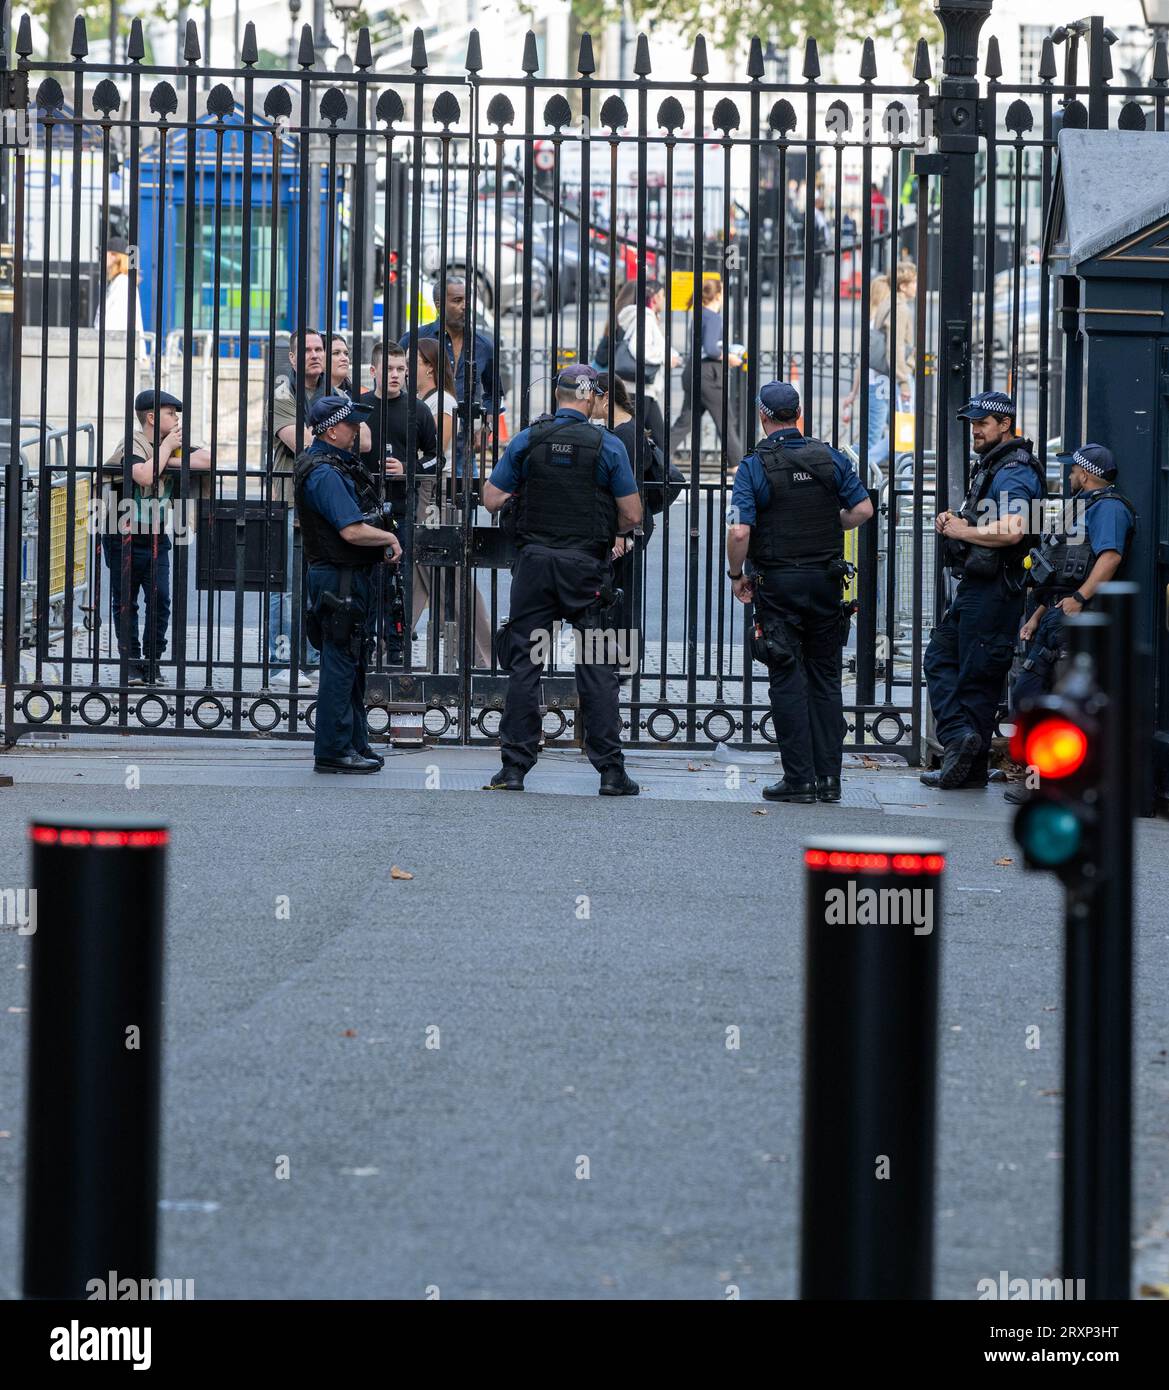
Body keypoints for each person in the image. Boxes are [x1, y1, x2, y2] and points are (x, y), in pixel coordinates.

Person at [482, 364, 643, 795]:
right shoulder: (606, 445)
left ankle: (513, 768)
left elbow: (492, 498)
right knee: (597, 666)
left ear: (559, 396)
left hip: (534, 569)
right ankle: (611, 771)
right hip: (585, 572)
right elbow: (633, 515)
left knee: (525, 664)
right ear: (589, 397)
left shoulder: (528, 439)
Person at [726, 381, 874, 804]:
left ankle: (799, 780)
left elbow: (739, 530)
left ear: (762, 415)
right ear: (799, 413)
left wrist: (736, 574)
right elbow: (863, 509)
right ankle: (830, 779)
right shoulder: (829, 457)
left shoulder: (755, 466)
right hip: (826, 582)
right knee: (826, 680)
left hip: (779, 585)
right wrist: (834, 525)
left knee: (787, 678)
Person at [921, 391, 1047, 790]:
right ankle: (967, 761)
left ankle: (960, 743)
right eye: (973, 423)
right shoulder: (995, 465)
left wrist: (963, 530)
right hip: (980, 585)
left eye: (982, 423)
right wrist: (956, 520)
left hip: (997, 588)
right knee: (945, 658)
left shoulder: (1015, 469)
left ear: (1005, 424)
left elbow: (1013, 530)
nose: (974, 430)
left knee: (975, 674)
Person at [1005, 443, 1135, 803]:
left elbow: (1109, 558)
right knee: (1033, 697)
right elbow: (1058, 577)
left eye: (1074, 470)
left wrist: (1079, 600)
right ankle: (1038, 783)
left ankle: (1046, 785)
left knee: (1042, 698)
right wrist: (1036, 616)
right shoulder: (1082, 506)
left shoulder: (1108, 509)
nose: (1070, 475)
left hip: (1076, 620)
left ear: (1088, 473)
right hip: (1056, 615)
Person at [293, 393, 402, 774]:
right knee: (340, 663)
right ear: (332, 430)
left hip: (344, 576)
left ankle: (354, 742)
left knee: (351, 661)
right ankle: (334, 749)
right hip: (338, 578)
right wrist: (388, 538)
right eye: (350, 424)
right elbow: (352, 531)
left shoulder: (330, 463)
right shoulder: (324, 471)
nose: (356, 430)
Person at [101, 389, 211, 686]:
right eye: (170, 413)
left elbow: (207, 460)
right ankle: (132, 663)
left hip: (155, 535)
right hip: (121, 534)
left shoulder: (170, 447)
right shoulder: (132, 443)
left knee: (160, 598)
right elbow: (144, 476)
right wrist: (162, 454)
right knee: (125, 601)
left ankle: (153, 661)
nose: (176, 419)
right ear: (151, 417)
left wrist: (166, 458)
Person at [268, 328, 331, 688]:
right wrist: (334, 432)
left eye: (318, 348)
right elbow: (302, 444)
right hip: (288, 502)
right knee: (285, 588)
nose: (314, 354)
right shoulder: (283, 396)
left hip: (322, 506)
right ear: (292, 358)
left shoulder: (334, 393)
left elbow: (363, 439)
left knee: (316, 587)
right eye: (306, 350)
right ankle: (279, 663)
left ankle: (309, 658)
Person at [607, 374, 683, 660]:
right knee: (619, 589)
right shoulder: (625, 429)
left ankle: (623, 658)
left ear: (605, 398)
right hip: (631, 523)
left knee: (621, 592)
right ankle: (619, 657)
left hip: (630, 525)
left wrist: (621, 533)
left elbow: (631, 488)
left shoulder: (626, 434)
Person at [400, 274, 505, 480]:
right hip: (424, 444)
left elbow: (494, 394)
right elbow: (392, 379)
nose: (465, 306)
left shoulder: (483, 345)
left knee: (464, 506)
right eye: (457, 301)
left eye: (468, 300)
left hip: (463, 447)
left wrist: (487, 427)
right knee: (426, 504)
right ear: (439, 304)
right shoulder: (416, 339)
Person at [668, 275, 743, 466]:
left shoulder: (700, 314)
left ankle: (658, 457)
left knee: (685, 422)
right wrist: (730, 357)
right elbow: (710, 348)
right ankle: (739, 467)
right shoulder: (714, 317)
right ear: (717, 295)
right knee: (725, 421)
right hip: (709, 375)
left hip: (693, 372)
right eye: (723, 293)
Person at [616, 278, 678, 456]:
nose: (664, 300)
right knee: (648, 437)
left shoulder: (644, 317)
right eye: (663, 295)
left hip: (644, 389)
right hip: (641, 388)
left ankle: (655, 478)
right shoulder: (645, 318)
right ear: (656, 296)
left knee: (652, 437)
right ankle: (656, 478)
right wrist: (665, 357)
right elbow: (639, 348)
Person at [94, 235, 145, 343]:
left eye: (103, 254)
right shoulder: (121, 281)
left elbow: (111, 323)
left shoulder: (122, 283)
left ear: (114, 256)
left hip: (119, 353)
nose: (100, 258)